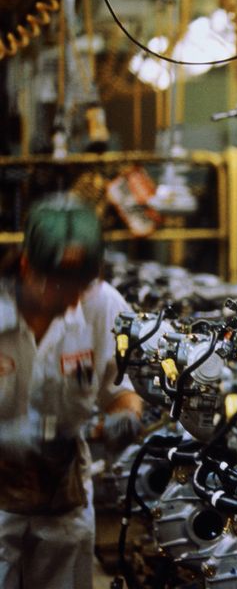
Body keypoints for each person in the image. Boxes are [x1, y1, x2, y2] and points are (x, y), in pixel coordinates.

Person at [0, 194, 142, 589]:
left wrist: (126, 416)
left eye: (84, 284)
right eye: (62, 285)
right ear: (27, 267)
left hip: (64, 497)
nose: (75, 299)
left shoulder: (103, 305)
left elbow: (121, 388)